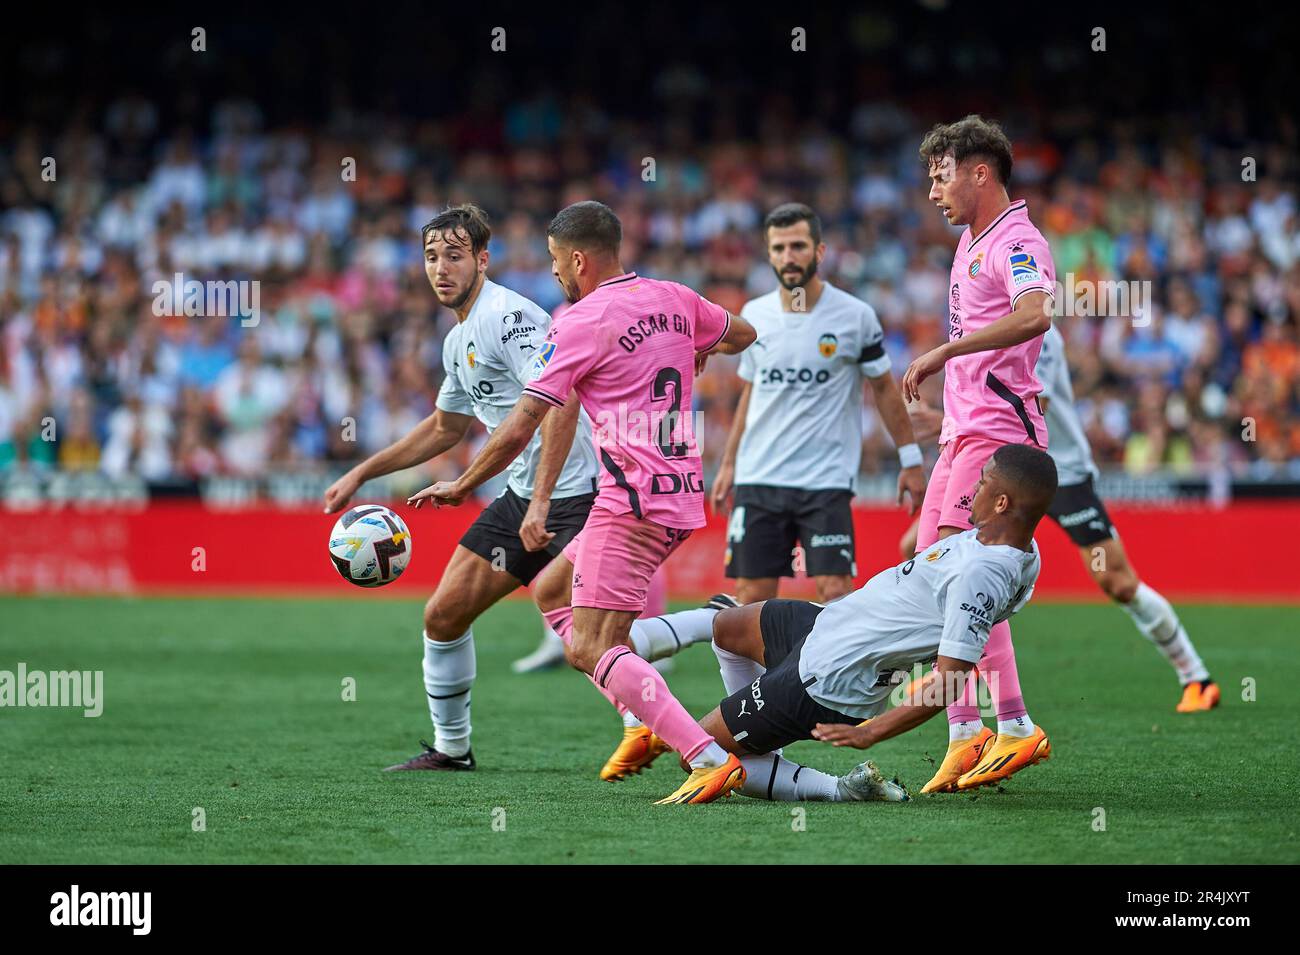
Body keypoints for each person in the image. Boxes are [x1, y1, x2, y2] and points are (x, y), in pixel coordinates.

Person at [409, 201, 759, 804]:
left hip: (630, 500)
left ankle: (704, 754)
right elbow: (745, 334)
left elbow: (524, 424)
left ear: (577, 260)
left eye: (553, 262)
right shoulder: (674, 297)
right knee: (551, 594)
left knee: (590, 646)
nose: (552, 275)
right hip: (677, 491)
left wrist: (463, 485)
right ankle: (668, 684)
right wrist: (701, 348)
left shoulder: (578, 321)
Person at [687, 444, 1057, 802]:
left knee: (697, 750)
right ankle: (762, 734)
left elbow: (951, 681)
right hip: (829, 623)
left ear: (1001, 503)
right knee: (727, 626)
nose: (973, 488)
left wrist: (874, 733)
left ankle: (839, 787)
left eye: (982, 481)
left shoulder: (981, 574)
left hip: (832, 670)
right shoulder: (1020, 550)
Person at [901, 115, 1056, 793]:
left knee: (964, 575)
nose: (933, 189)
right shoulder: (970, 240)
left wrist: (945, 351)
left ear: (980, 172)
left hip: (998, 439)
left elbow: (1036, 313)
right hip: (963, 433)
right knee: (937, 572)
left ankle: (1009, 725)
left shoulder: (1016, 239)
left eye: (941, 174)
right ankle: (969, 730)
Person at [710, 203, 926, 605]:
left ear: (820, 252)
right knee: (750, 597)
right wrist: (727, 465)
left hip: (825, 481)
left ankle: (824, 671)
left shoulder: (855, 316)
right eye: (778, 248)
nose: (787, 257)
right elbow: (752, 392)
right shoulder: (754, 315)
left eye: (797, 246)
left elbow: (883, 388)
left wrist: (911, 459)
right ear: (768, 253)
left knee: (835, 593)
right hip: (760, 477)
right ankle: (766, 673)